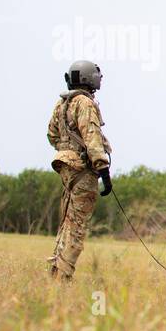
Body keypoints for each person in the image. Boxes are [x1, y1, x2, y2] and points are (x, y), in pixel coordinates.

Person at [46, 60, 112, 280]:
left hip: (65, 167)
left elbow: (52, 135)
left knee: (67, 221)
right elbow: (92, 137)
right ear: (87, 78)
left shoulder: (62, 103)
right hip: (83, 170)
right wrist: (103, 170)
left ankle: (56, 270)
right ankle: (63, 277)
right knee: (77, 225)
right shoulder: (85, 103)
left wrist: (67, 149)